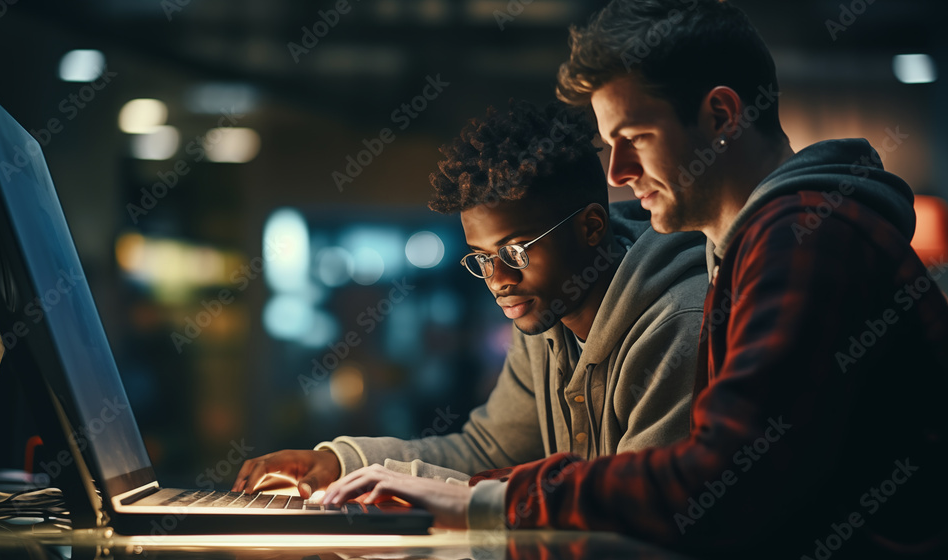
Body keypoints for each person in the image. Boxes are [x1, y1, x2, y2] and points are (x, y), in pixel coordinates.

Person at [320, 1, 948, 558]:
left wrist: (491, 502)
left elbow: (718, 485)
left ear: (722, 114)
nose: (618, 172)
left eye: (636, 137)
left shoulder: (800, 240)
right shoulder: (765, 243)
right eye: (608, 143)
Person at [234, 100, 709, 511]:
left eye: (516, 252)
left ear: (589, 228)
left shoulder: (678, 324)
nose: (499, 281)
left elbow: (637, 516)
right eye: (482, 259)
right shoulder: (546, 321)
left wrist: (475, 509)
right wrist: (340, 463)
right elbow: (492, 446)